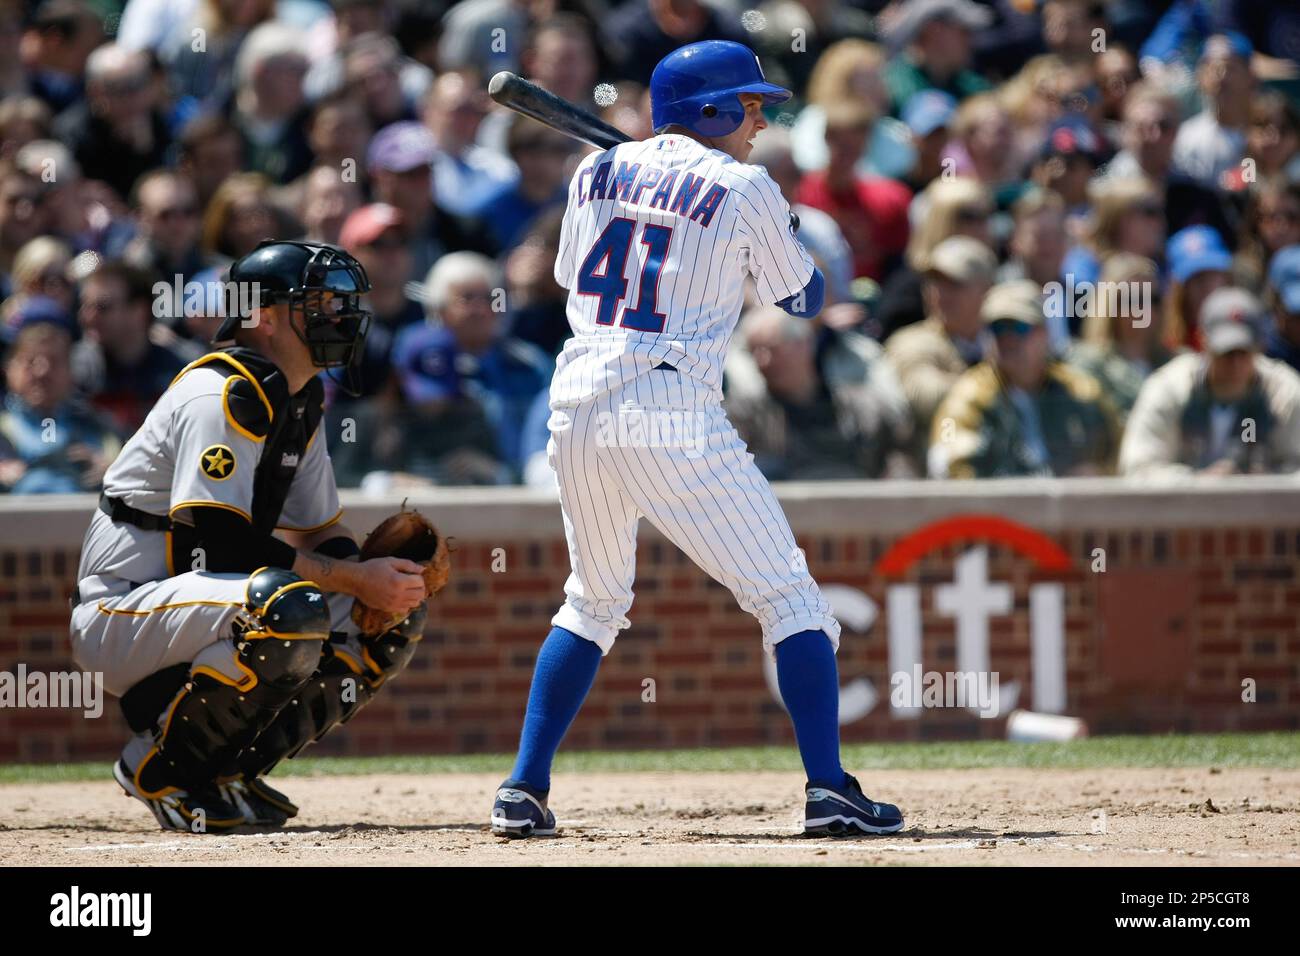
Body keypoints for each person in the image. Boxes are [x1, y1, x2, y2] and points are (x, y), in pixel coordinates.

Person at [491, 40, 903, 841]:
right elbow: (806, 298)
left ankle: (522, 788)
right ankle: (830, 790)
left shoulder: (596, 172)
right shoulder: (745, 185)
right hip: (666, 399)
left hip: (576, 400)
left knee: (594, 598)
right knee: (791, 599)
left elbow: (575, 279)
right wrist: (776, 225)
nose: (760, 118)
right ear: (710, 111)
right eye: (748, 105)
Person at [68, 239, 431, 831]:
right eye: (319, 302)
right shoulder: (224, 391)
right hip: (123, 611)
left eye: (340, 302)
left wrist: (373, 583)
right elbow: (221, 542)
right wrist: (353, 577)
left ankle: (228, 769)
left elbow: (321, 529)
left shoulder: (299, 394)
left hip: (198, 601)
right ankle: (158, 767)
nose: (338, 315)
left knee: (389, 619)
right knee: (288, 608)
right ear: (264, 314)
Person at [929, 279, 1119, 478]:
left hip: (1074, 506)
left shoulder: (1081, 392)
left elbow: (1116, 452)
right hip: (997, 507)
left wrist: (1098, 478)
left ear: (1044, 333)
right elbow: (950, 467)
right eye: (998, 328)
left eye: (1019, 327)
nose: (1007, 339)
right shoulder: (968, 399)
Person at [1120, 287, 1300, 477]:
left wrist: (1261, 482)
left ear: (1261, 347)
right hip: (1181, 506)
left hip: (1266, 506)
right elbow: (1137, 468)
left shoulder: (1283, 394)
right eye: (1225, 353)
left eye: (1243, 352)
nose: (1235, 363)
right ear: (1203, 343)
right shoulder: (1170, 388)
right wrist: (1199, 483)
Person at [726, 305, 911, 480]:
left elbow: (899, 456)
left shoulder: (862, 407)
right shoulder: (745, 416)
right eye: (754, 352)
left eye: (772, 349)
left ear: (805, 344)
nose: (763, 360)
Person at [885, 235, 995, 467]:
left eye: (955, 283)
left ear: (986, 290)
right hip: (934, 482)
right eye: (934, 282)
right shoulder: (912, 341)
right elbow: (927, 398)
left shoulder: (1002, 339)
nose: (940, 293)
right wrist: (1006, 385)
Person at [0, 304, 120, 494]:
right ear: (9, 370)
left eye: (54, 360)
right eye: (30, 361)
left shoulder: (101, 429)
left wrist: (113, 472)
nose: (42, 371)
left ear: (71, 371)